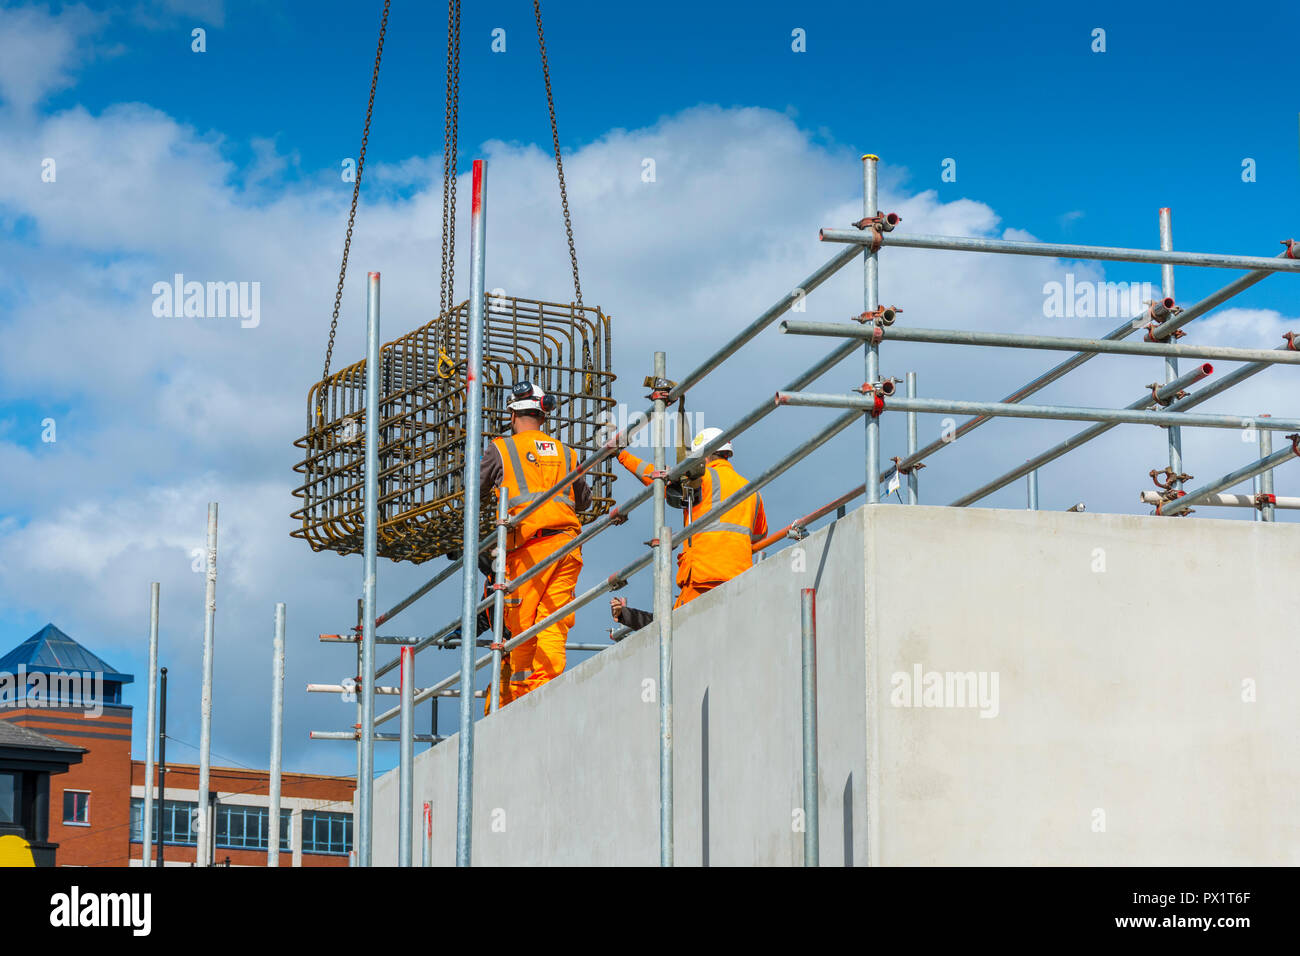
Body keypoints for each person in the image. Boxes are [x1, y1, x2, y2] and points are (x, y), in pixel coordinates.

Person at [479, 382, 589, 707]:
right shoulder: (567, 452)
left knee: (522, 628)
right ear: (544, 415)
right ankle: (548, 689)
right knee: (553, 621)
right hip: (569, 546)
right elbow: (583, 499)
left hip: (528, 550)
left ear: (512, 414)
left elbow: (477, 489)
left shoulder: (501, 448)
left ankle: (526, 703)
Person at [613, 426, 767, 617]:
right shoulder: (752, 490)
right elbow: (759, 535)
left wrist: (621, 455)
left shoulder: (702, 477)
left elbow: (659, 478)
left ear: (704, 456)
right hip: (740, 578)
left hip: (703, 577)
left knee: (679, 631)